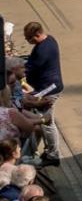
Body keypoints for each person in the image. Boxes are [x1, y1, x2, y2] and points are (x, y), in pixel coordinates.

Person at [19, 24, 59, 167]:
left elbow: (29, 70)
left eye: (28, 38)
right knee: (44, 120)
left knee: (47, 122)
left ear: (36, 35)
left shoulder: (43, 49)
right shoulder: (50, 40)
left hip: (47, 90)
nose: (27, 41)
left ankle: (53, 155)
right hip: (47, 86)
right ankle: (49, 150)